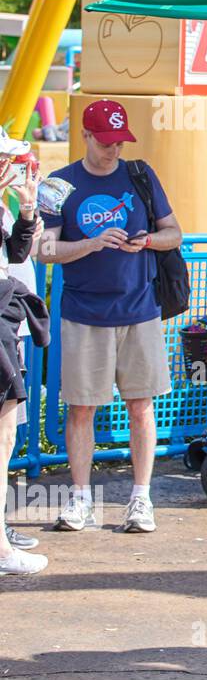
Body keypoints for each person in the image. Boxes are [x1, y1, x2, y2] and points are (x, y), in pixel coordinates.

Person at [40, 100, 183, 534]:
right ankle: (80, 499)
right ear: (85, 135)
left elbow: (174, 232)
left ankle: (141, 498)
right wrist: (92, 243)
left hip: (140, 309)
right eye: (106, 142)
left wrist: (147, 242)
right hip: (84, 311)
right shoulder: (59, 184)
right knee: (81, 408)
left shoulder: (139, 175)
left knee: (142, 405)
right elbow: (45, 249)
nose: (113, 150)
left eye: (120, 141)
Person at [0, 164, 47, 574]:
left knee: (7, 433)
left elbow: (14, 254)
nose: (9, 169)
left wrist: (27, 211)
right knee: (2, 435)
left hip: (6, 325)